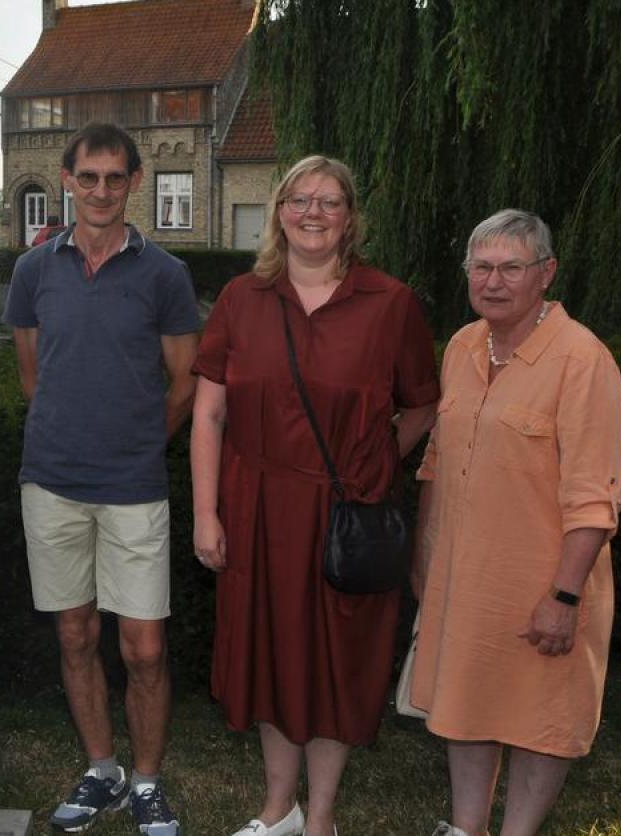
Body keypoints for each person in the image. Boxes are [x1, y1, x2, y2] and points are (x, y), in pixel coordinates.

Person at [190, 155, 439, 836]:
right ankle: (279, 809)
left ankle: (322, 815)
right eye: (299, 199)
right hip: (258, 512)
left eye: (330, 202)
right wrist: (206, 513)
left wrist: (371, 465)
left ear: (350, 218)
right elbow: (208, 414)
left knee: (339, 661)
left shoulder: (390, 303)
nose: (313, 214)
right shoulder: (242, 299)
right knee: (271, 656)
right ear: (279, 213)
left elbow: (423, 405)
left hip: (346, 519)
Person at [3, 122, 200, 836]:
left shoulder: (164, 275)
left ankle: (146, 782)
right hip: (51, 482)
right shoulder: (33, 271)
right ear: (67, 178)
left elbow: (186, 381)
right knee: (75, 636)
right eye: (88, 177)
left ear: (135, 183)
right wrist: (72, 434)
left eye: (115, 178)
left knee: (144, 648)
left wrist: (140, 445)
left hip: (133, 488)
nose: (101, 191)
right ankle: (101, 770)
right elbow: (33, 376)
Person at [411, 210, 621, 836]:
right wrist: (425, 560)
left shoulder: (582, 359)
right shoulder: (461, 347)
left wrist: (564, 597)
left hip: (545, 583)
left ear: (546, 273)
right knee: (466, 705)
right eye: (481, 267)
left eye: (512, 267)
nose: (493, 281)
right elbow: (436, 463)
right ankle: (467, 828)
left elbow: (595, 497)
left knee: (541, 718)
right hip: (466, 580)